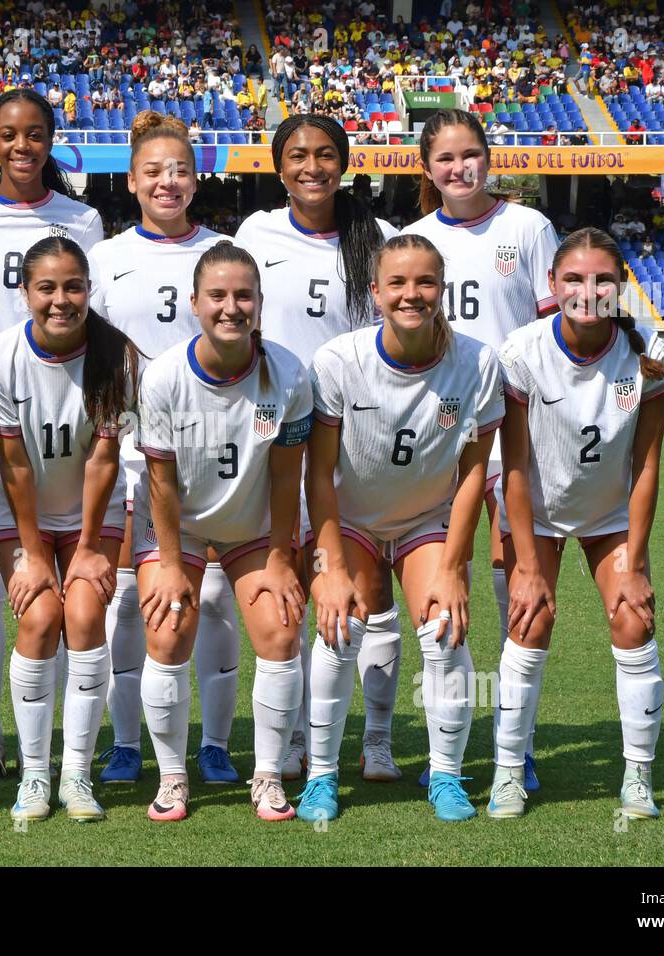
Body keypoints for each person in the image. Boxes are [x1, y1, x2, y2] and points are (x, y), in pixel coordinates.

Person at [302, 232, 503, 823]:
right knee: (339, 629)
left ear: (443, 289)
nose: (411, 294)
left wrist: (453, 565)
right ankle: (320, 775)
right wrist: (331, 566)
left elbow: (473, 473)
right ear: (375, 292)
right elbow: (318, 475)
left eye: (425, 282)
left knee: (445, 629)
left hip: (425, 519)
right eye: (398, 283)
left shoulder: (477, 362)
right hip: (355, 519)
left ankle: (445, 774)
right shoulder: (340, 361)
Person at [0, 88, 105, 784]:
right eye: (9, 134)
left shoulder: (85, 219)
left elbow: (96, 316)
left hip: (66, 418)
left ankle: (66, 747)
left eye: (35, 134)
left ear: (50, 140)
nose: (22, 147)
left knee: (81, 593)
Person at [490, 227, 664, 820]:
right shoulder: (521, 353)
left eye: (603, 279)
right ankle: (507, 773)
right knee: (529, 620)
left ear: (620, 286)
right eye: (574, 278)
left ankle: (638, 776)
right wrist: (525, 564)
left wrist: (637, 560)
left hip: (609, 516)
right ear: (552, 284)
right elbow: (514, 467)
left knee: (633, 620)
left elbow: (647, 464)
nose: (588, 290)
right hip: (535, 514)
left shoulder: (649, 352)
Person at [234, 114, 398, 782]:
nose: (312, 167)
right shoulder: (255, 234)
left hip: (354, 436)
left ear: (344, 162)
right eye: (298, 156)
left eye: (326, 155)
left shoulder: (378, 238)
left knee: (367, 587)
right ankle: (299, 737)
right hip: (277, 435)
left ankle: (379, 739)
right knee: (296, 585)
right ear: (278, 169)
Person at [402, 107, 560, 791]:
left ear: (488, 157)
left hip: (516, 433)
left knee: (512, 586)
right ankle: (447, 750)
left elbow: (554, 326)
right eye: (445, 158)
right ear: (427, 167)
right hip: (437, 437)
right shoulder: (412, 237)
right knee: (447, 586)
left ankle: (512, 743)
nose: (459, 168)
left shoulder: (527, 227)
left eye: (471, 154)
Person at [134, 242, 312, 822]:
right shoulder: (162, 378)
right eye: (218, 295)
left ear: (260, 303)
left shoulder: (287, 373)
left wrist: (282, 557)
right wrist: (167, 562)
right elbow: (160, 482)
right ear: (194, 303)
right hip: (177, 526)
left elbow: (288, 477)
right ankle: (172, 778)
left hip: (252, 526)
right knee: (166, 632)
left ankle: (266, 775)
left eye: (243, 296)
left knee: (280, 630)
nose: (230, 307)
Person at [87, 111, 238, 786]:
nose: (166, 182)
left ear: (196, 178)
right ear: (131, 180)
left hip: (211, 454)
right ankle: (125, 742)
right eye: (153, 171)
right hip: (127, 450)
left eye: (178, 170)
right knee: (128, 600)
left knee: (210, 601)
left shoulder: (228, 252)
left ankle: (217, 742)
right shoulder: (106, 257)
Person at [0, 236, 138, 822]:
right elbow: (14, 463)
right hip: (16, 511)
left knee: (86, 614)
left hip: (89, 513)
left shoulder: (116, 354)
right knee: (42, 616)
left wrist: (91, 548)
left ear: (88, 290)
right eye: (46, 287)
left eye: (73, 286)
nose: (61, 300)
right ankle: (35, 774)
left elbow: (103, 459)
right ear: (25, 293)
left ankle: (76, 773)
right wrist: (34, 554)